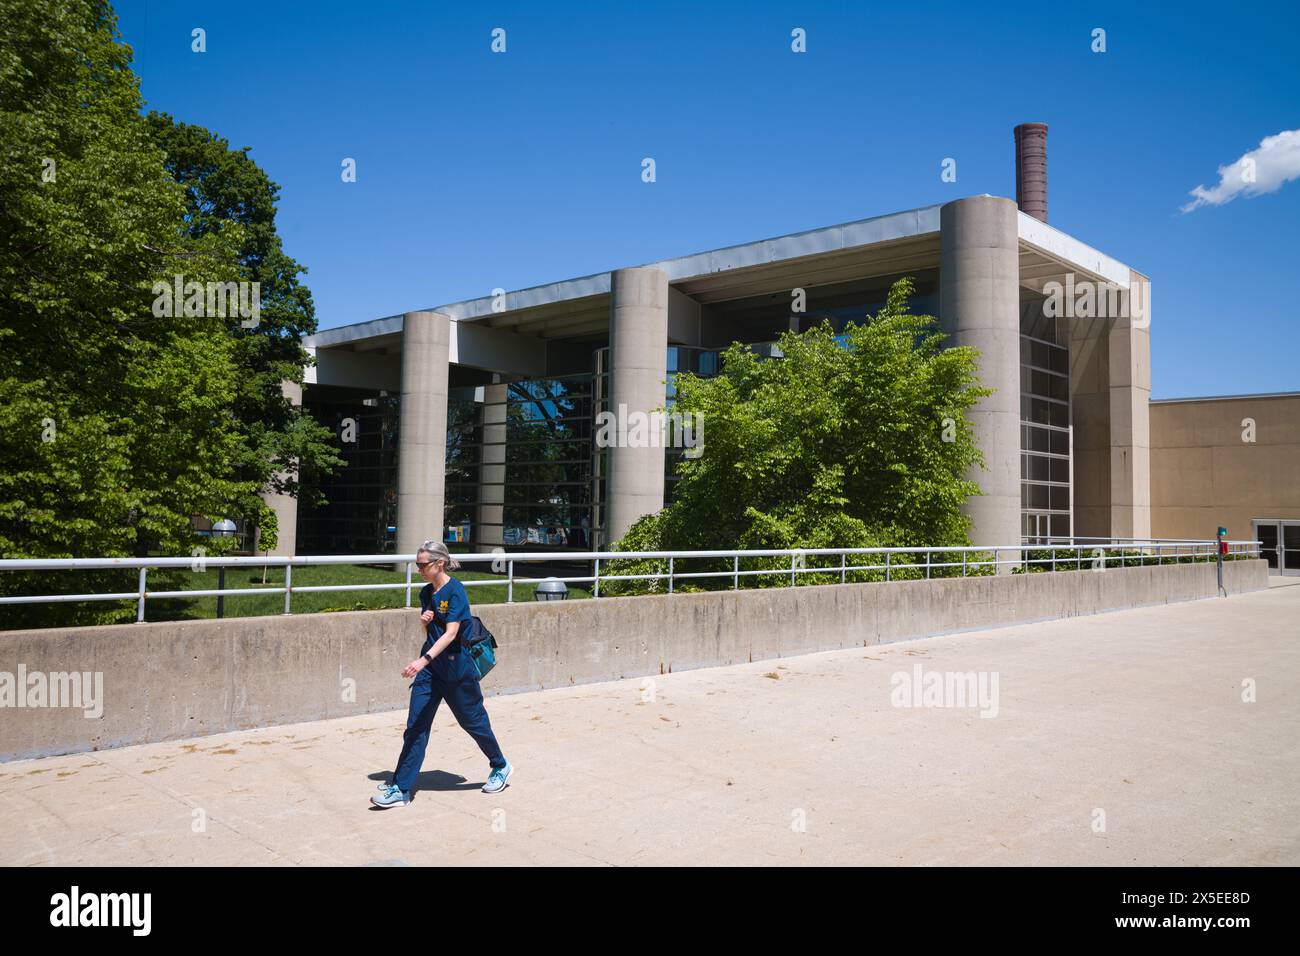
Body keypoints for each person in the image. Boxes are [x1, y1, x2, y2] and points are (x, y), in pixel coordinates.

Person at [372, 539, 512, 808]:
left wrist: (422, 660)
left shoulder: (456, 591)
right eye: (417, 564)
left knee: (473, 721)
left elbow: (451, 633)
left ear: (440, 563)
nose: (419, 569)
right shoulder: (426, 592)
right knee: (416, 725)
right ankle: (401, 787)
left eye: (423, 564)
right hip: (430, 671)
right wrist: (424, 625)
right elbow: (433, 633)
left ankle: (500, 765)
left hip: (457, 669)